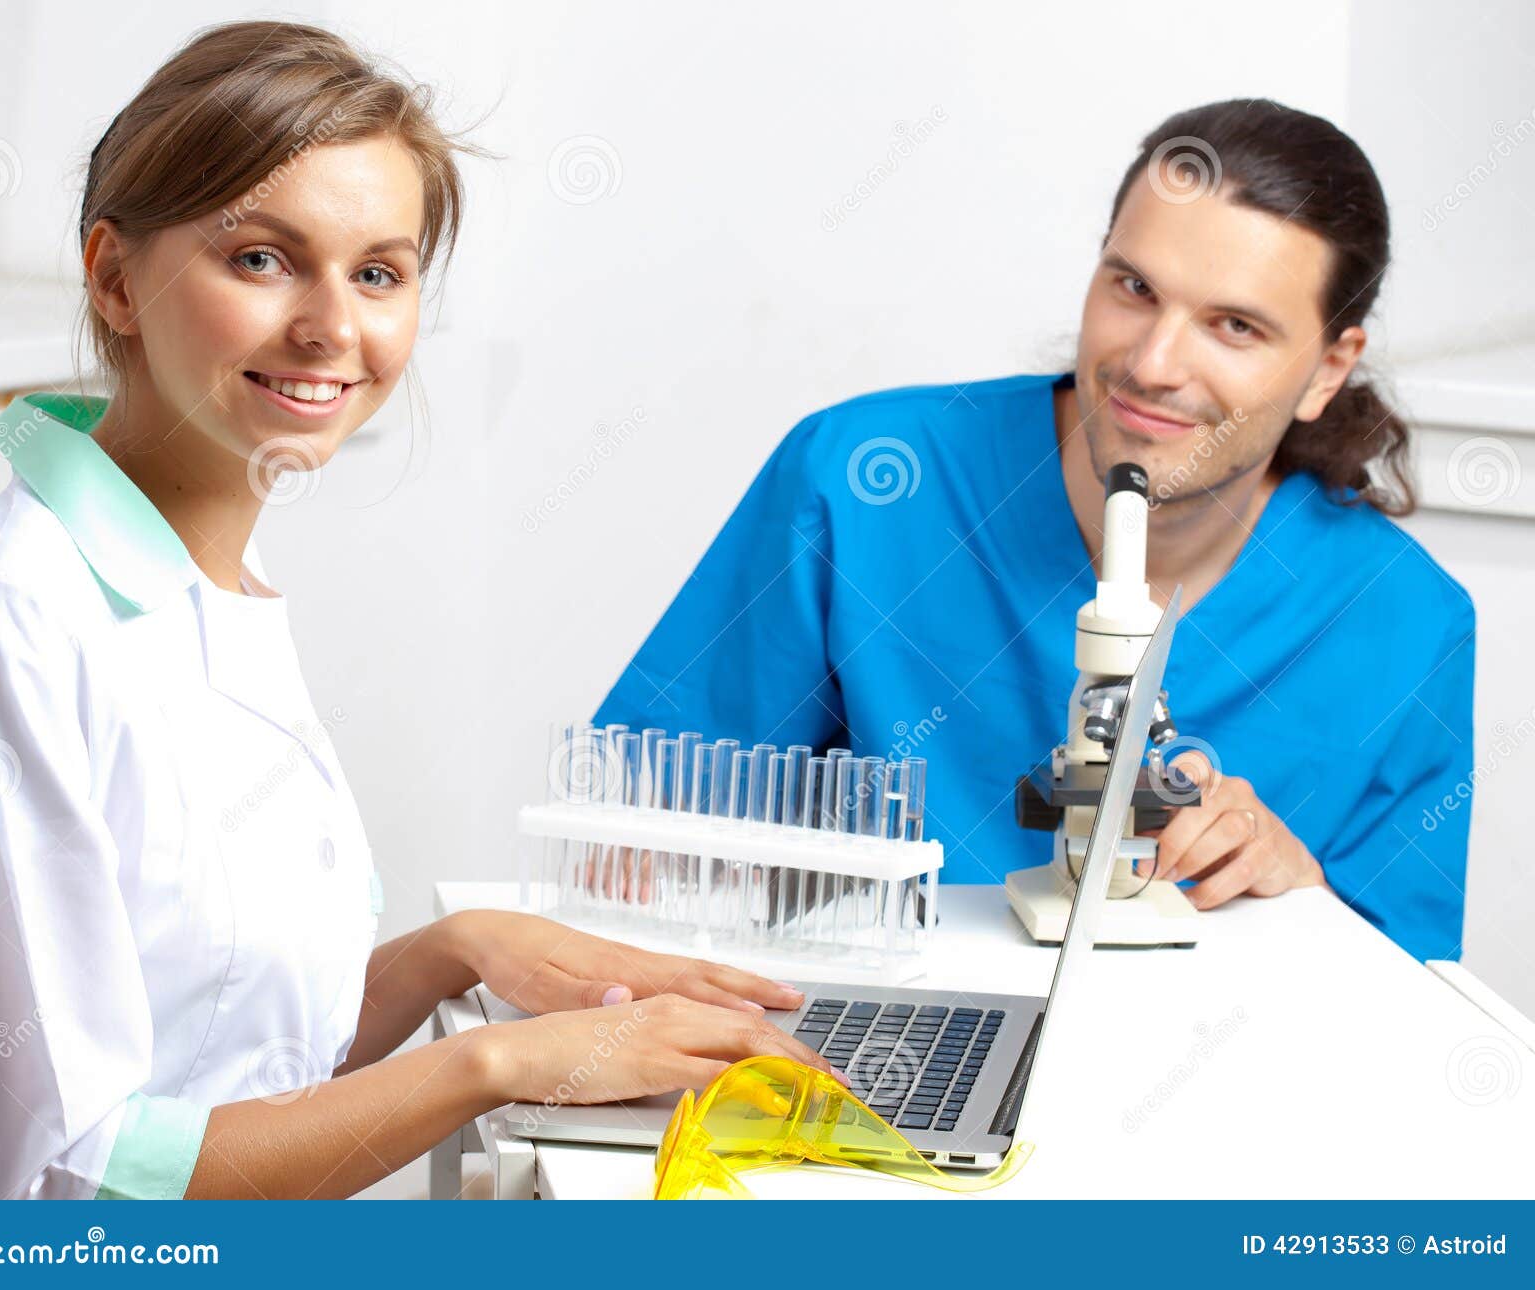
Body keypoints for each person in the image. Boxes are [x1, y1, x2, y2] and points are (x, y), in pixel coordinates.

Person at [0, 21, 829, 1201]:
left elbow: (229, 1052)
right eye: (262, 259)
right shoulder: (14, 616)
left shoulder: (210, 577)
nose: (333, 329)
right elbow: (68, 1185)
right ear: (113, 277)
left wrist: (451, 953)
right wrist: (494, 1063)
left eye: (377, 273)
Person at [597, 100, 1475, 964]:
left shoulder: (1405, 618)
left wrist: (1298, 888)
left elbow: (1410, 999)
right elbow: (630, 835)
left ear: (1328, 369)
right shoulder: (865, 479)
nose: (1152, 365)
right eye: (1135, 288)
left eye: (1234, 326)